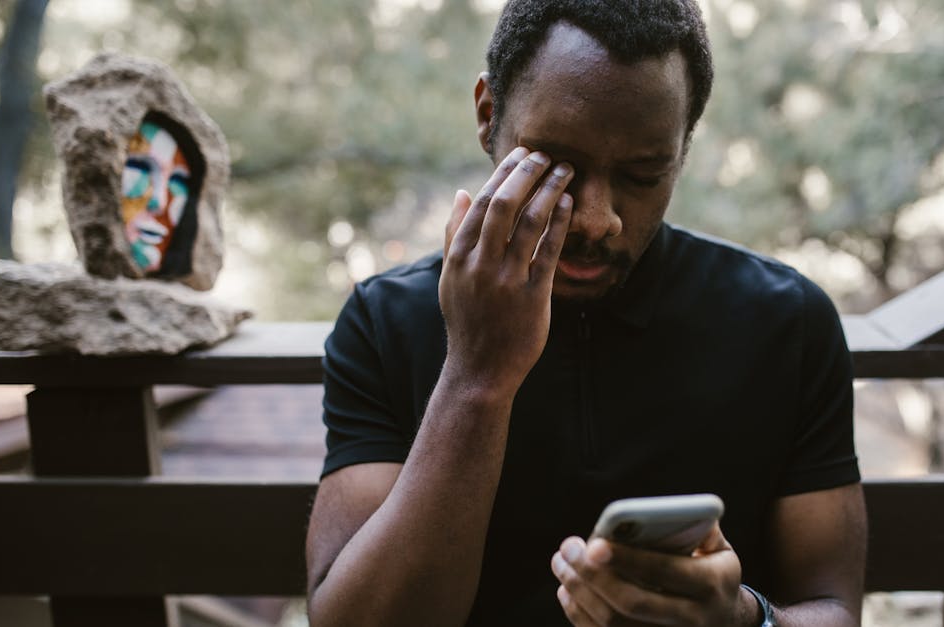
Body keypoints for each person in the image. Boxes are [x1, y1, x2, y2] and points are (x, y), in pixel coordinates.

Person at [305, 1, 866, 625]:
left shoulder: (785, 323)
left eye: (643, 173)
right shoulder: (384, 323)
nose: (599, 219)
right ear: (490, 116)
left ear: (682, 149)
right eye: (557, 165)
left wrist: (743, 619)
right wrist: (476, 374)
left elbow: (835, 609)